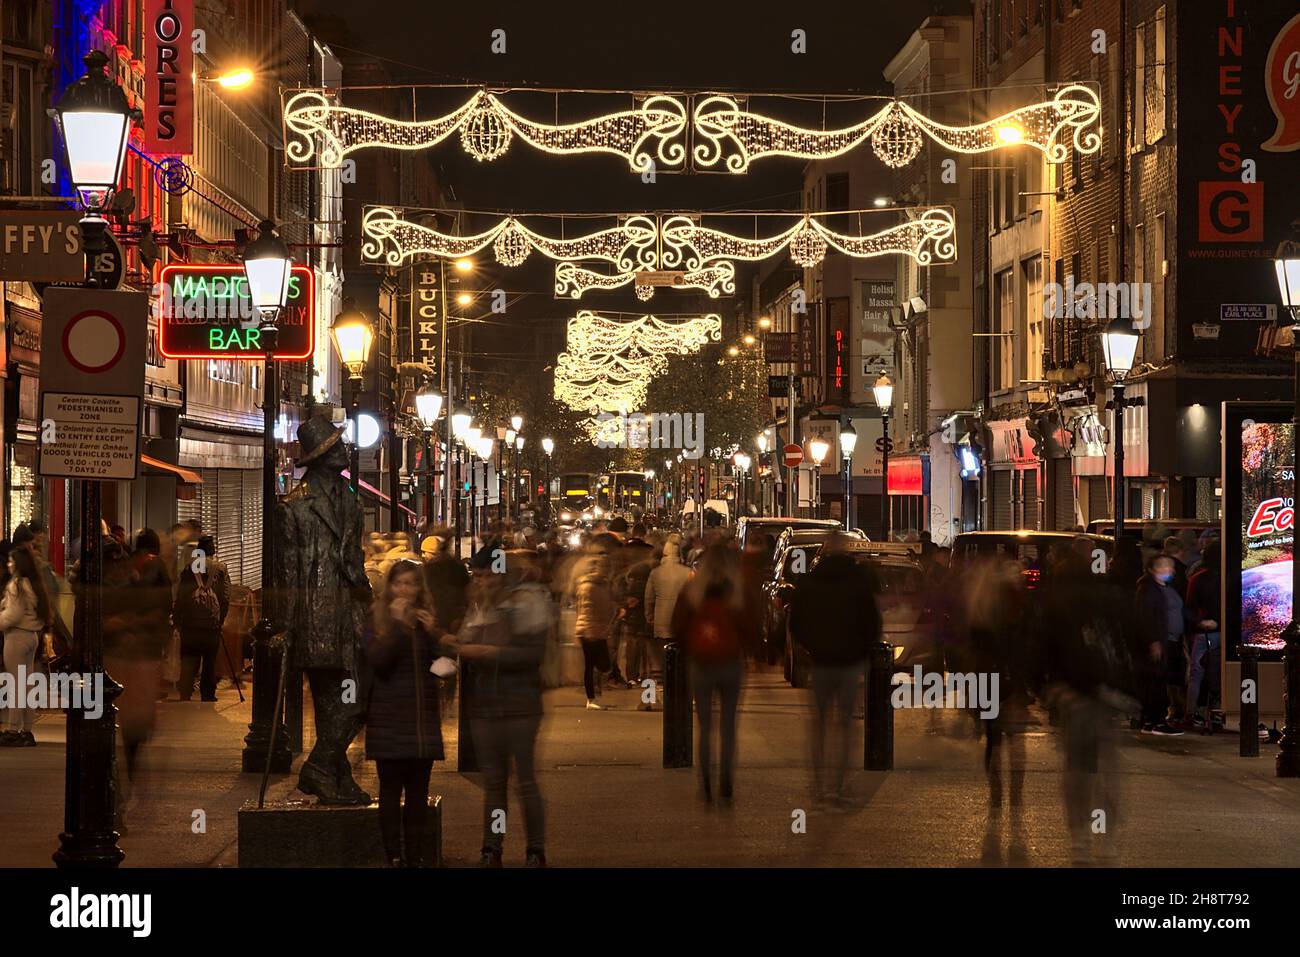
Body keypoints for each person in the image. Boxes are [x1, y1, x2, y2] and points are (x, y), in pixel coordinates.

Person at [456, 549, 551, 867]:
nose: (482, 581)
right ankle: (492, 847)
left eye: (487, 574)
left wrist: (487, 651)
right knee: (494, 782)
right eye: (478, 575)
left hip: (520, 705)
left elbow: (531, 655)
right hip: (486, 706)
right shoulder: (478, 606)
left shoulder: (526, 603)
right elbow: (462, 647)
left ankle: (535, 851)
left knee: (525, 781)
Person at [364, 560, 447, 867]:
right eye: (399, 584)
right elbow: (378, 661)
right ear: (390, 587)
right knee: (389, 791)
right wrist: (399, 627)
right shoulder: (377, 617)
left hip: (421, 721)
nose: (405, 590)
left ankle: (415, 855)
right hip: (389, 718)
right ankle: (393, 855)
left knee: (418, 793)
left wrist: (434, 634)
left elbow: (439, 667)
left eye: (411, 583)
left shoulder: (425, 620)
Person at [789, 533, 880, 807]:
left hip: (822, 662)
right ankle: (838, 787)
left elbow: (796, 622)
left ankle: (818, 786)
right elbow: (872, 623)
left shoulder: (810, 582)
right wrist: (862, 650)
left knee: (819, 725)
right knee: (845, 725)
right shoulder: (859, 582)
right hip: (850, 663)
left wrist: (811, 648)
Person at [671, 544, 757, 804]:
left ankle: (706, 780)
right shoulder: (737, 592)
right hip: (730, 663)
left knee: (705, 726)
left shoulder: (692, 591)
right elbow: (750, 626)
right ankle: (726, 780)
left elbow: (678, 626)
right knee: (729, 726)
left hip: (701, 664)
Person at [103, 529, 173, 797]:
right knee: (131, 717)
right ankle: (127, 769)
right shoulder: (144, 574)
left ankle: (125, 774)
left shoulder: (139, 574)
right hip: (134, 656)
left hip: (132, 656)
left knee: (129, 717)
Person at [1, 547, 51, 746]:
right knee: (27, 685)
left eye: (12, 561)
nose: (9, 564)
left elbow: (12, 615)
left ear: (19, 563)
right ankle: (27, 730)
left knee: (15, 685)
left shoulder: (17, 585)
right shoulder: (34, 584)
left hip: (16, 637)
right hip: (32, 637)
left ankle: (13, 730)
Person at [172, 535, 231, 702]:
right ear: (213, 551)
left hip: (190, 623)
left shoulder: (189, 569)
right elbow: (225, 596)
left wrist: (177, 619)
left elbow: (181, 596)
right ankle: (208, 693)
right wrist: (221, 619)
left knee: (189, 658)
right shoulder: (220, 569)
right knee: (210, 661)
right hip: (211, 624)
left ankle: (185, 691)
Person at [1133, 554, 1185, 735]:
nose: (1168, 570)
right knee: (1156, 681)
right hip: (1160, 641)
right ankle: (1156, 720)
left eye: (1170, 566)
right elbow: (1145, 616)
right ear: (1152, 568)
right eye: (1163, 566)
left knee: (1158, 680)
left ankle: (1150, 720)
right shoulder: (1148, 589)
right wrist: (1153, 640)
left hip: (1169, 640)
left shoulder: (1164, 588)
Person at [573, 544, 617, 709]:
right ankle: (591, 698)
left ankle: (593, 696)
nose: (607, 570)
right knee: (593, 664)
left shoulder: (601, 585)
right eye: (604, 567)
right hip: (590, 629)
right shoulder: (589, 587)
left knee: (600, 664)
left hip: (596, 628)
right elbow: (588, 609)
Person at [1184, 541, 1222, 730]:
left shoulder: (1197, 579)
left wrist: (1200, 622)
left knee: (1197, 672)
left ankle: (1192, 712)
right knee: (1216, 673)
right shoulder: (1228, 577)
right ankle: (1214, 711)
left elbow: (1189, 607)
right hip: (1222, 631)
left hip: (1204, 631)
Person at [644, 535, 690, 674]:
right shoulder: (687, 573)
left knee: (665, 653)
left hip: (662, 619)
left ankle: (666, 677)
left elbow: (649, 597)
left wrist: (649, 615)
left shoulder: (655, 573)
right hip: (682, 619)